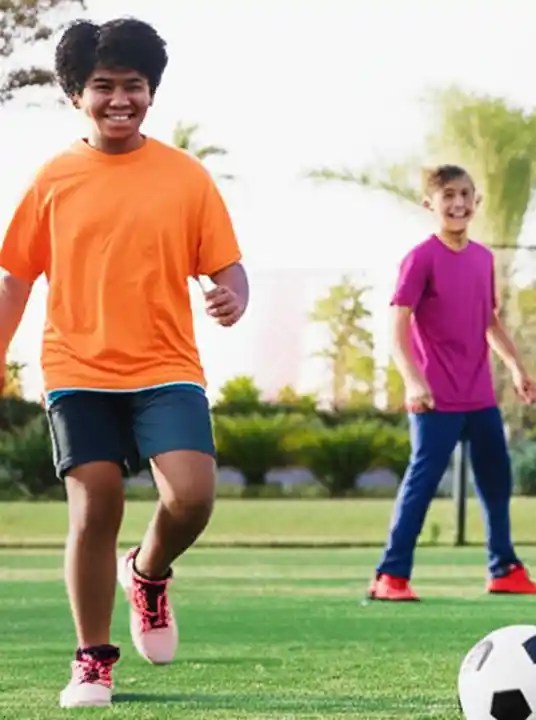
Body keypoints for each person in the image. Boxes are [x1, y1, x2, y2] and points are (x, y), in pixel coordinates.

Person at [0, 19, 249, 708]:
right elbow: (17, 276)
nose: (119, 99)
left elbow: (228, 265)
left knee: (193, 497)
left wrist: (233, 296)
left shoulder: (185, 177)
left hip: (166, 367)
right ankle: (92, 660)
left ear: (151, 92)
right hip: (76, 368)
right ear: (76, 94)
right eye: (102, 86)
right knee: (96, 502)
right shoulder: (53, 178)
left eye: (132, 86)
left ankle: (148, 571)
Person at [367, 164, 536, 602]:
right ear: (430, 204)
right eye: (448, 195)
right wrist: (413, 381)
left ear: (477, 200)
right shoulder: (420, 258)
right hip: (435, 398)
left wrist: (516, 368)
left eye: (466, 194)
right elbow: (396, 328)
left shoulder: (483, 258)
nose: (459, 204)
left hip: (479, 395)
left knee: (496, 480)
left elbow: (488, 320)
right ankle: (391, 576)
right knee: (423, 483)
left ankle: (504, 569)